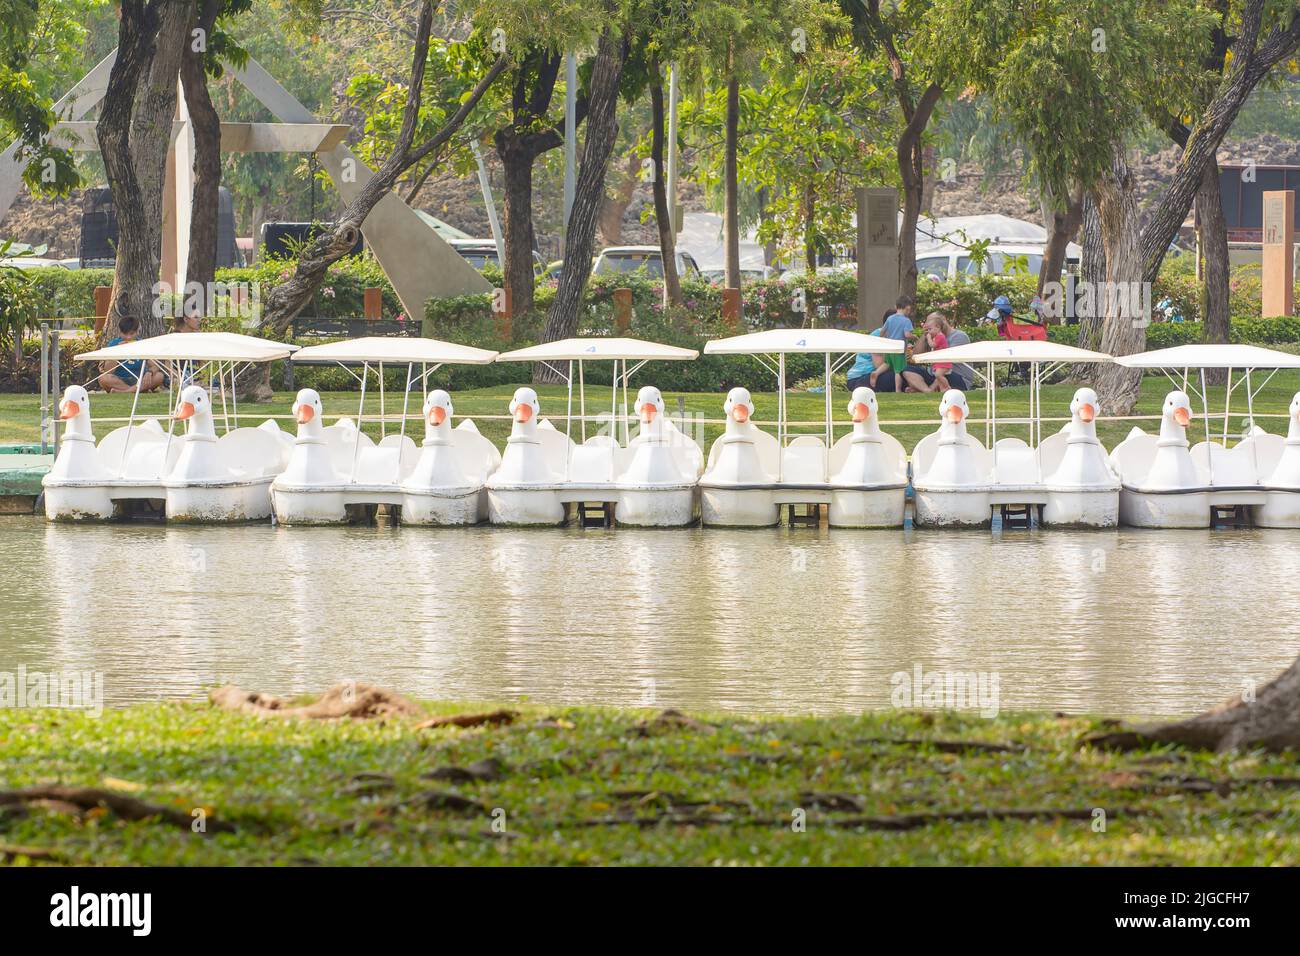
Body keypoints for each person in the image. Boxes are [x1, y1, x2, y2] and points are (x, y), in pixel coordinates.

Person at [97, 317, 165, 393]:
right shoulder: (113, 344)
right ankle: (137, 390)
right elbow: (108, 371)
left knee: (159, 376)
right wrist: (117, 351)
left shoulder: (142, 344)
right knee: (103, 378)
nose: (128, 337)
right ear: (120, 332)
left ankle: (124, 392)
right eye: (125, 334)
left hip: (139, 378)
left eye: (131, 334)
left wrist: (149, 372)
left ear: (137, 332)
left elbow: (155, 365)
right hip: (120, 379)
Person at [900, 314, 952, 392]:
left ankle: (941, 388)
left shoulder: (950, 336)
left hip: (949, 370)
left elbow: (933, 345)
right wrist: (924, 336)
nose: (928, 330)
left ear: (938, 325)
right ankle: (925, 389)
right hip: (933, 370)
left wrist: (928, 338)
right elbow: (916, 355)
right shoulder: (934, 336)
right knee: (907, 369)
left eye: (930, 328)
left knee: (940, 374)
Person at [878, 295, 916, 392]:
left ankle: (875, 373)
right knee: (898, 371)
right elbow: (907, 334)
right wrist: (914, 337)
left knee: (887, 364)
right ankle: (897, 390)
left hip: (890, 348)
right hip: (899, 350)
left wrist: (882, 339)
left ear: (896, 307)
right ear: (907, 308)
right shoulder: (906, 321)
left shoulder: (890, 318)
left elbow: (882, 331)